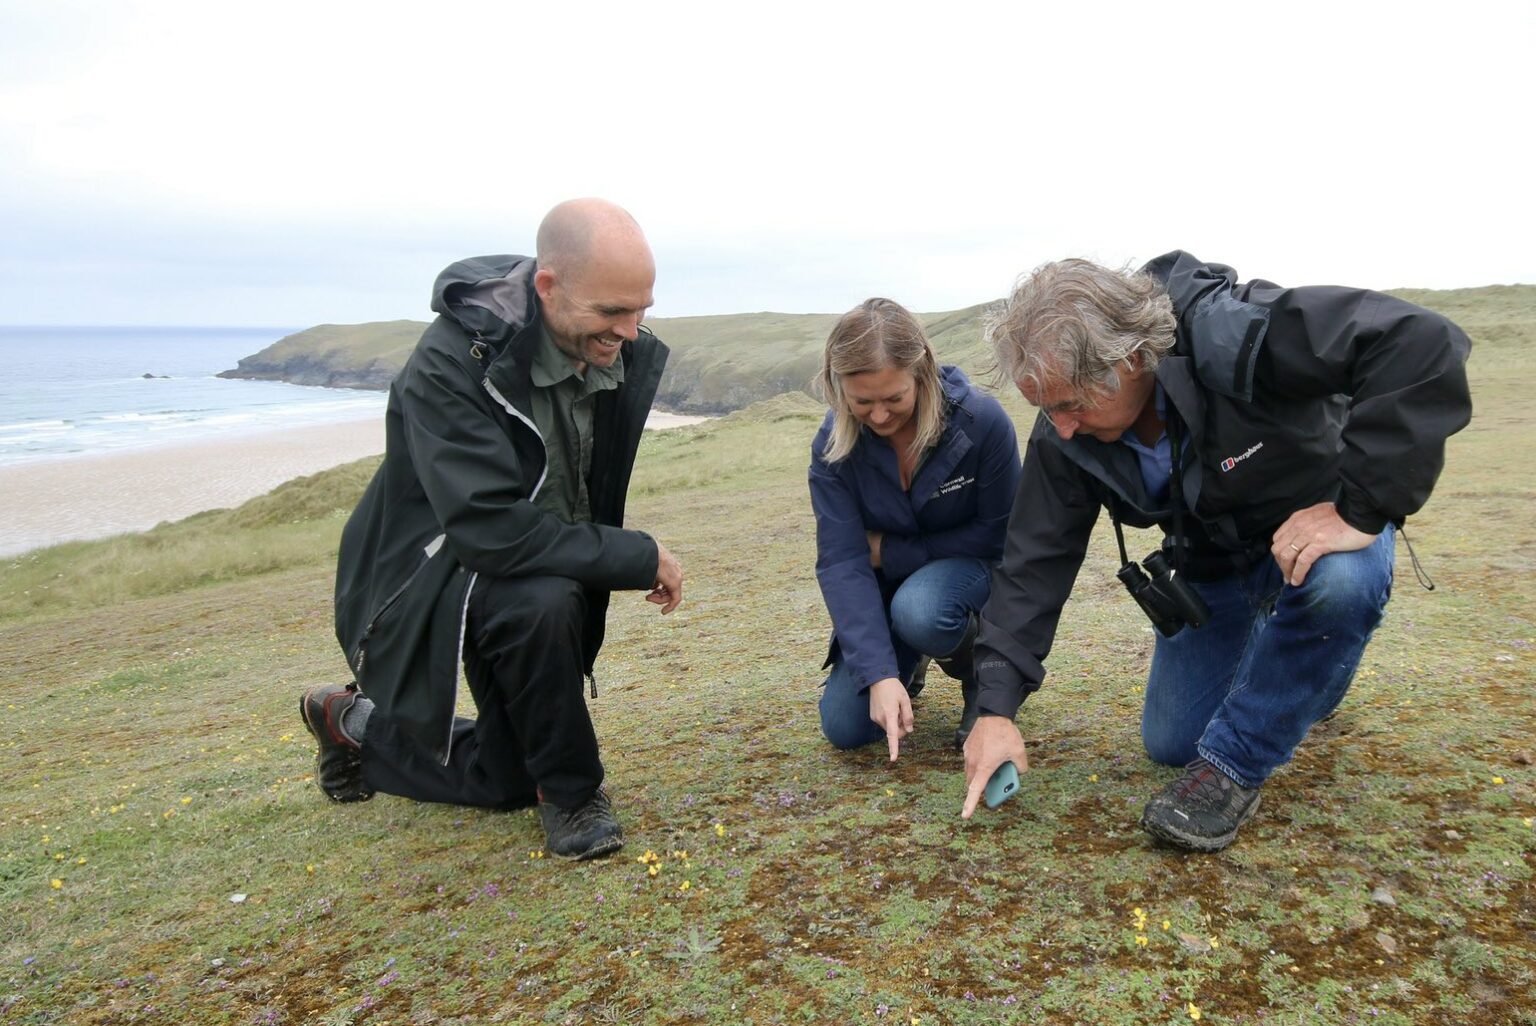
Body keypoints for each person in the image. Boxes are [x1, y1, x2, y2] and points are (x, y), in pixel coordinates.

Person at [961, 252, 1472, 851]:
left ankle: (1232, 771)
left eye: (1072, 404)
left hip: (1314, 535)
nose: (1061, 426)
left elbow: (1418, 342)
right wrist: (994, 709)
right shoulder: (1065, 436)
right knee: (1173, 743)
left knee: (1339, 585)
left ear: (1131, 360)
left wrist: (1360, 509)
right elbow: (1032, 565)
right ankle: (1294, 678)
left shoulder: (1237, 333)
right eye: (1046, 408)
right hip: (1211, 563)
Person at [299, 198, 684, 861]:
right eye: (612, 312)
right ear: (547, 287)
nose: (629, 330)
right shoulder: (449, 366)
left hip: (521, 571)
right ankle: (572, 797)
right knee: (546, 594)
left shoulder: (601, 344)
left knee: (504, 779)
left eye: (641, 308)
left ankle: (354, 727)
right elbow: (491, 530)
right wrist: (635, 555)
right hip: (430, 580)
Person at [810, 298, 1021, 759]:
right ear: (836, 385)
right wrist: (880, 675)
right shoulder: (832, 445)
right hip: (892, 590)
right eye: (862, 402)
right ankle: (909, 659)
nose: (880, 416)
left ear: (921, 373)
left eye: (894, 399)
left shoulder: (982, 424)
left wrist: (890, 551)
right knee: (847, 727)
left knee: (921, 609)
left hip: (972, 574)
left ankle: (980, 676)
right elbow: (844, 561)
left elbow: (1000, 535)